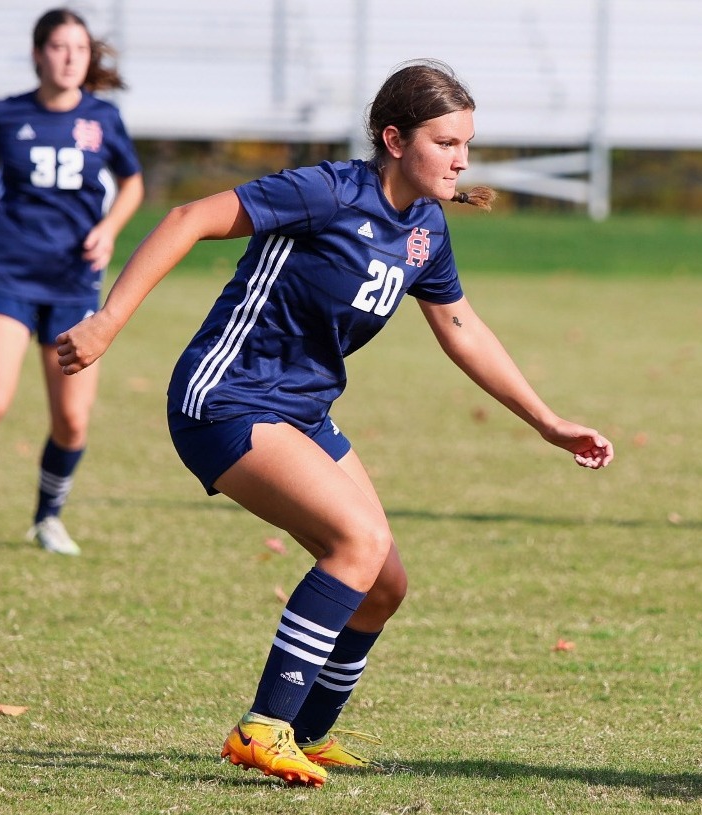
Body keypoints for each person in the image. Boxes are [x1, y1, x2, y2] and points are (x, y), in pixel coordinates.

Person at [56, 60, 613, 786]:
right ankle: (262, 726)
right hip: (225, 398)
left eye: (466, 143)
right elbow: (189, 219)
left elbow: (461, 326)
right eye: (446, 142)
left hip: (302, 411)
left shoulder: (425, 229)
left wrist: (546, 420)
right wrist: (105, 323)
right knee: (358, 539)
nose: (462, 158)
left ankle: (306, 733)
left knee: (384, 583)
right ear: (394, 138)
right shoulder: (325, 192)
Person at [0, 8, 144, 555]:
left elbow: (133, 183)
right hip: (11, 274)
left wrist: (110, 229)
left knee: (71, 419)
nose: (70, 58)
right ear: (38, 53)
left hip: (74, 284)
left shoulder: (104, 119)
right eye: (60, 47)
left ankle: (47, 519)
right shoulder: (6, 113)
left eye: (80, 49)